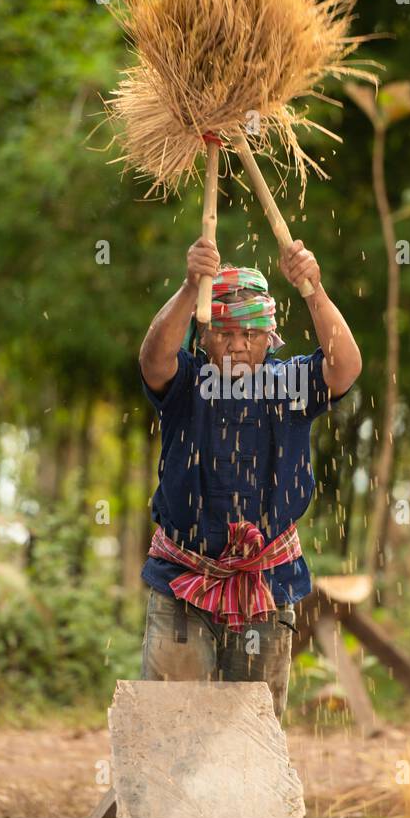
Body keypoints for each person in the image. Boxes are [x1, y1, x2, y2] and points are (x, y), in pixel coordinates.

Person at [137, 235, 362, 722]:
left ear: (271, 337)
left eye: (251, 334)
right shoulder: (186, 383)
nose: (238, 346)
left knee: (250, 736)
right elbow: (153, 360)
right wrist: (189, 286)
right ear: (203, 335)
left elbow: (344, 368)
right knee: (171, 727)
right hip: (183, 579)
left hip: (267, 580)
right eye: (224, 333)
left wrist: (312, 289)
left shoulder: (293, 385)